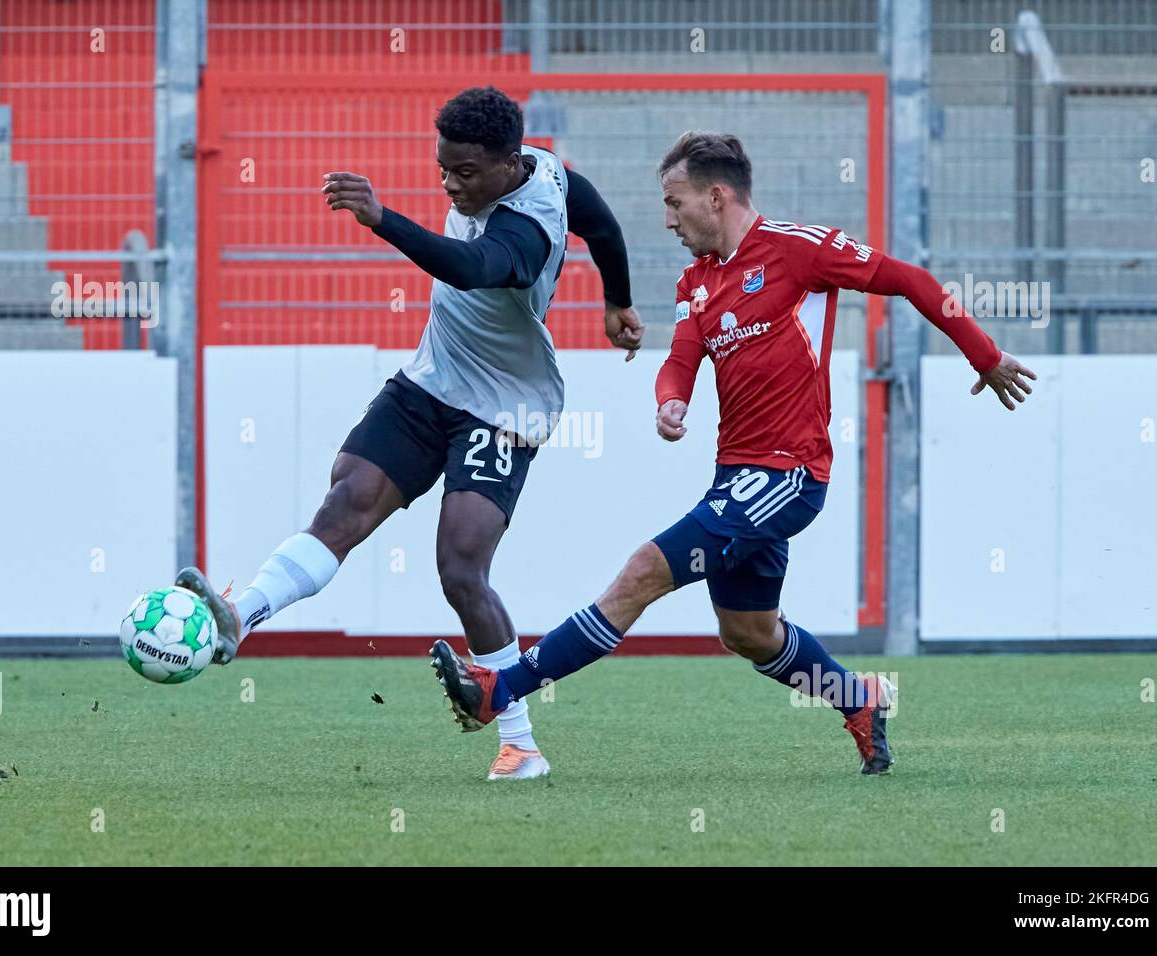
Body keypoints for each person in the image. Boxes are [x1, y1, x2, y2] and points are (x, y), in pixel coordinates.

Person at [429, 130, 1037, 775]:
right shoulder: (697, 281)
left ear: (716, 197)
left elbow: (910, 279)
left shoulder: (801, 252)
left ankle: (501, 689)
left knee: (641, 573)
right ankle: (859, 699)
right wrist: (672, 401)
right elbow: (681, 360)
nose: (668, 220)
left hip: (789, 472)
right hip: (738, 476)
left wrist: (985, 354)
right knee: (748, 632)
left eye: (674, 202)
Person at [176, 86, 642, 780]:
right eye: (442, 168)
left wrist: (381, 218)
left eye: (466, 172)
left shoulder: (529, 227)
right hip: (431, 381)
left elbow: (471, 267)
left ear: (509, 164)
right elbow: (601, 221)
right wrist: (619, 301)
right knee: (345, 500)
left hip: (503, 405)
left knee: (460, 567)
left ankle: (520, 744)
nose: (452, 184)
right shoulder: (545, 167)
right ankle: (239, 617)